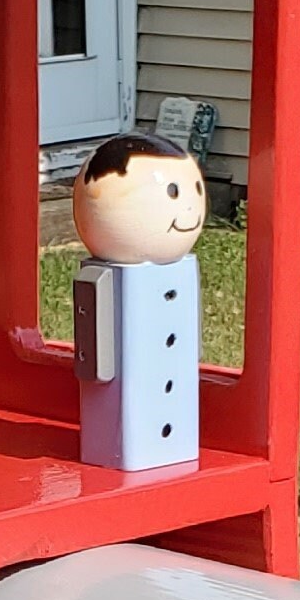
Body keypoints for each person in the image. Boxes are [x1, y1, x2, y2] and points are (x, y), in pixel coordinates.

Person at [69, 134, 206, 471]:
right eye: (173, 194)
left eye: (194, 193)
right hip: (127, 429)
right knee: (123, 408)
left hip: (174, 420)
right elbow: (96, 359)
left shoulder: (182, 270)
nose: (187, 207)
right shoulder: (106, 278)